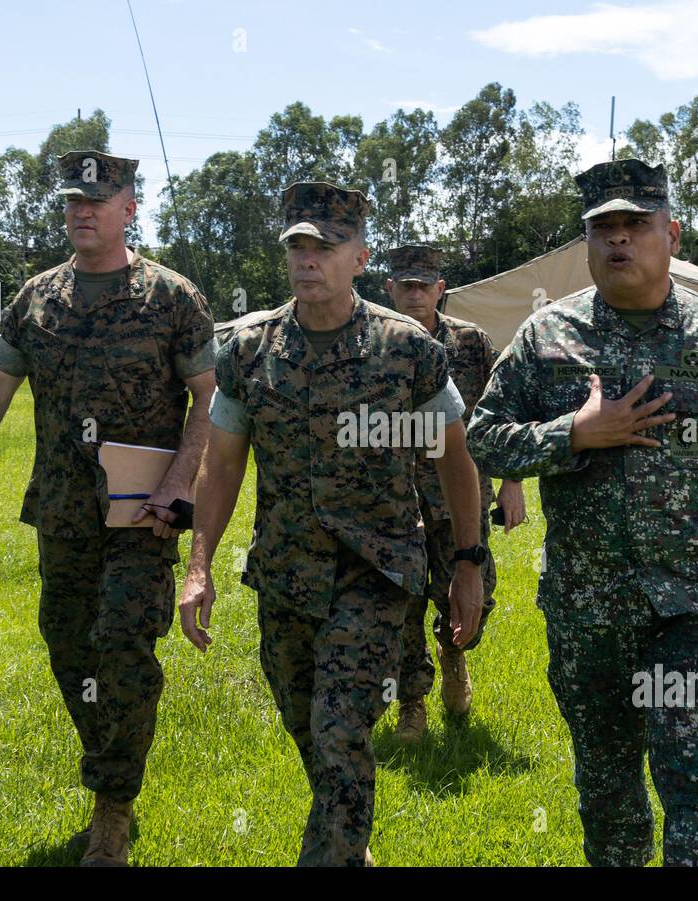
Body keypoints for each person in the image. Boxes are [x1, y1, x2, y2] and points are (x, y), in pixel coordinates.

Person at [467, 158, 698, 866]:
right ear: (588, 243)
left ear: (673, 235)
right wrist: (572, 434)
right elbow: (484, 438)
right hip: (589, 613)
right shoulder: (547, 337)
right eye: (604, 229)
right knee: (608, 798)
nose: (619, 239)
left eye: (636, 224)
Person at [178, 182, 485, 866]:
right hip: (285, 571)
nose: (307, 259)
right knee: (307, 724)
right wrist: (199, 567)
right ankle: (350, 839)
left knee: (341, 729)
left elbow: (454, 459)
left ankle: (333, 855)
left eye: (325, 246)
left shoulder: (406, 348)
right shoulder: (248, 349)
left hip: (377, 570)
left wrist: (468, 562)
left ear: (360, 258)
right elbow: (221, 464)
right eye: (297, 246)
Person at [0, 150, 217, 867]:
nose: (81, 212)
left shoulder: (172, 297)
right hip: (62, 509)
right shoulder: (38, 297)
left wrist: (179, 485)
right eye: (72, 202)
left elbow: (210, 400)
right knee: (68, 647)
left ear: (129, 208)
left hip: (142, 514)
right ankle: (107, 765)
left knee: (122, 645)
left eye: (97, 200)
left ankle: (113, 808)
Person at [383, 244, 525, 742]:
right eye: (406, 285)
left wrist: (511, 480)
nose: (415, 294)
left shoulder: (471, 343)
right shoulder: (374, 343)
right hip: (395, 498)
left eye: (424, 286)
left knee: (473, 595)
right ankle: (411, 702)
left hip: (460, 496)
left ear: (440, 290)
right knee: (401, 602)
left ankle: (453, 652)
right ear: (390, 289)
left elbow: (502, 411)